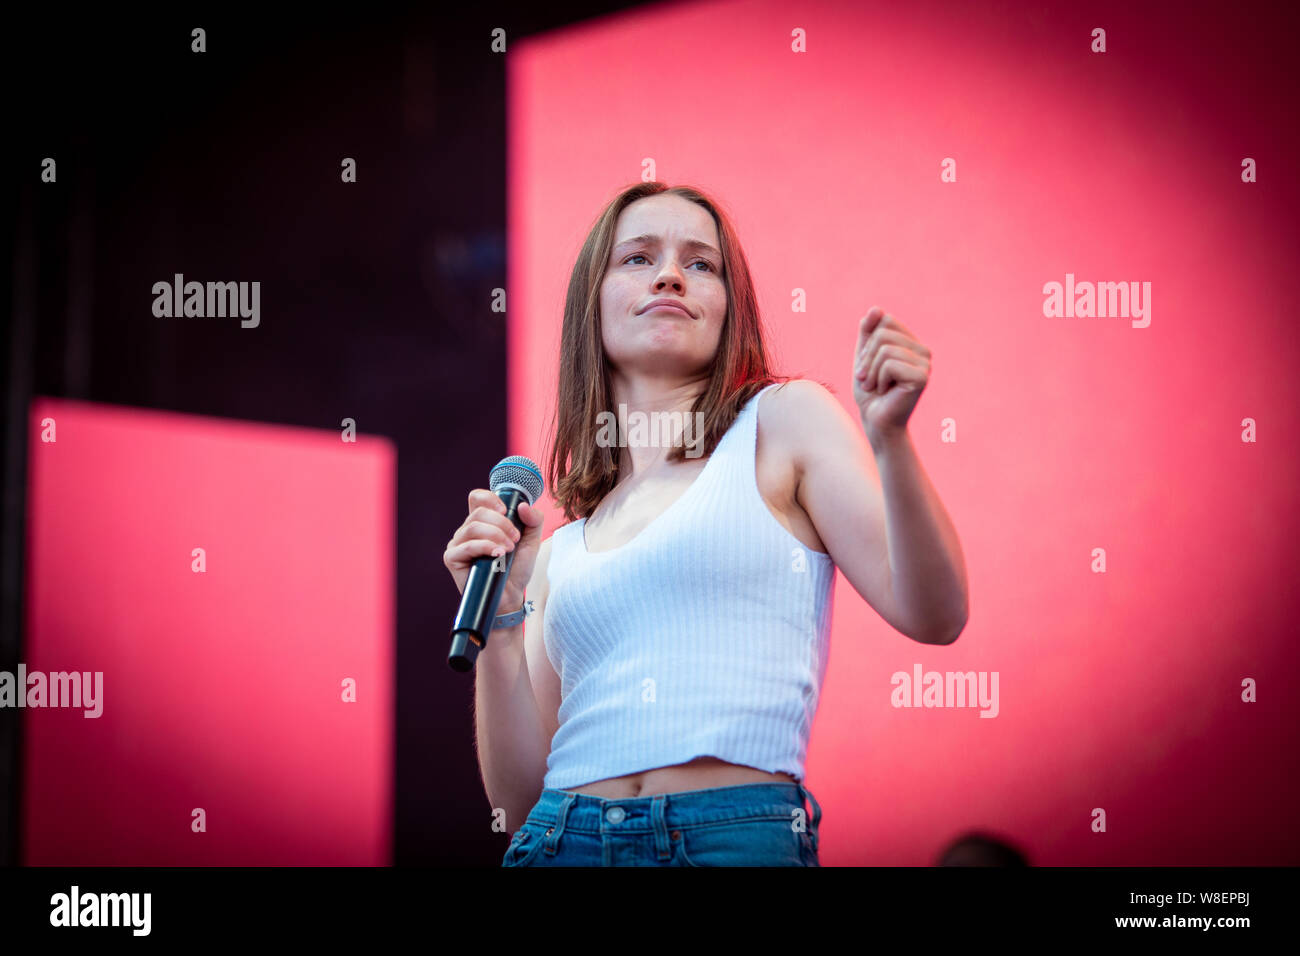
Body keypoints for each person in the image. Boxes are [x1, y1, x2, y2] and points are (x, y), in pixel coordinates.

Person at [444, 182, 969, 866]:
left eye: (701, 264)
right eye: (637, 258)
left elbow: (935, 614)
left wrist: (890, 440)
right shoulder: (562, 543)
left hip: (726, 836)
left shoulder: (782, 423)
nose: (669, 273)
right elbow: (515, 806)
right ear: (591, 307)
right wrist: (503, 625)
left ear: (729, 309)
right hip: (560, 841)